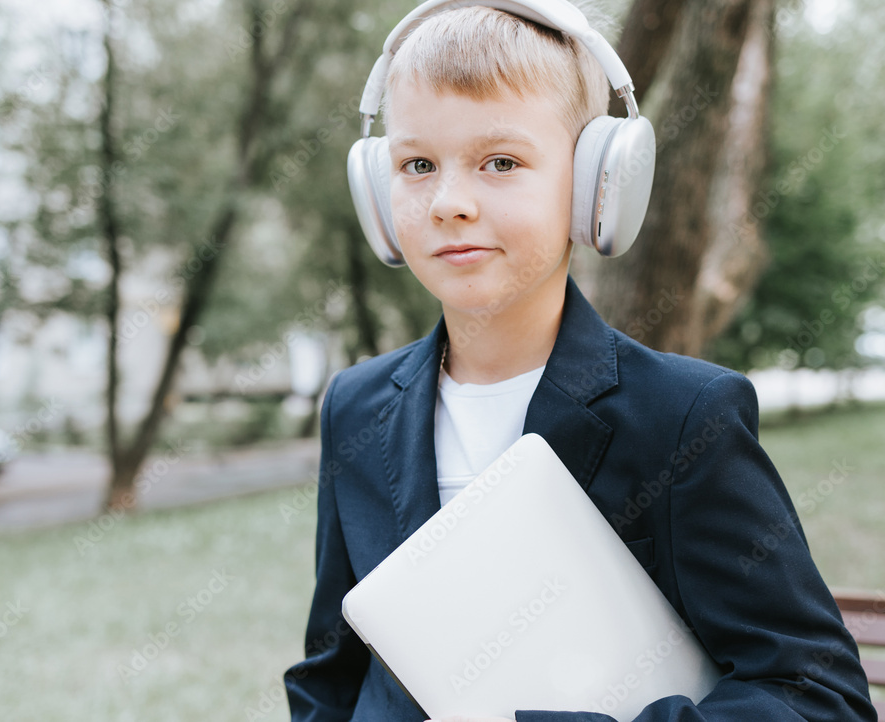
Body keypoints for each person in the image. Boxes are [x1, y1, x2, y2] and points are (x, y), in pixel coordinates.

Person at [284, 3, 876, 720]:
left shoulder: (683, 416)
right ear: (377, 191)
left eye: (500, 162)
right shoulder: (356, 405)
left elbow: (817, 695)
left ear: (600, 184)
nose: (449, 202)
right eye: (416, 165)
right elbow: (331, 675)